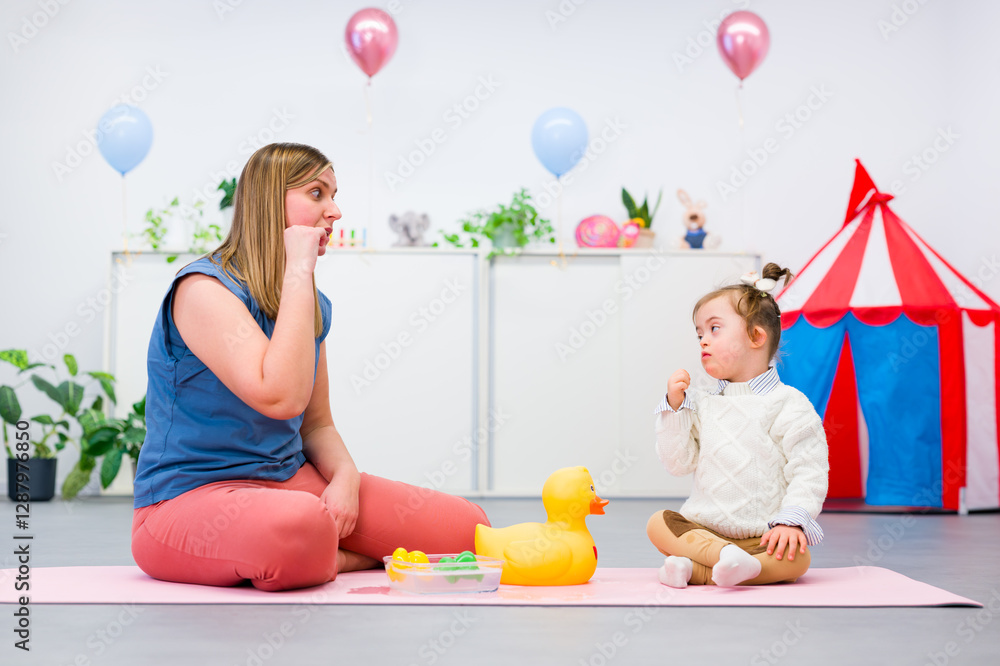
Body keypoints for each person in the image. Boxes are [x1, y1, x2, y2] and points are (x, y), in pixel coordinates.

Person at [131, 142, 490, 591]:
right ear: (268, 202)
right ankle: (338, 555)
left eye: (335, 195)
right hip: (188, 498)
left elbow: (316, 424)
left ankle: (321, 553)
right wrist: (298, 268)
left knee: (467, 531)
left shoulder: (310, 305)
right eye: (317, 194)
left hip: (289, 482)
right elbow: (279, 397)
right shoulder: (203, 291)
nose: (335, 211)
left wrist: (345, 478)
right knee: (298, 526)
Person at [646, 263, 829, 587]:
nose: (703, 341)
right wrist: (675, 411)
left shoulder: (789, 403)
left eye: (714, 329)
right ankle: (730, 562)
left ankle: (697, 570)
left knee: (798, 558)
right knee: (659, 523)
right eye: (699, 333)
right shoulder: (700, 402)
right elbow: (679, 464)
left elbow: (809, 470)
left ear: (756, 336)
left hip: (765, 537)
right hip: (705, 532)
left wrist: (790, 522)